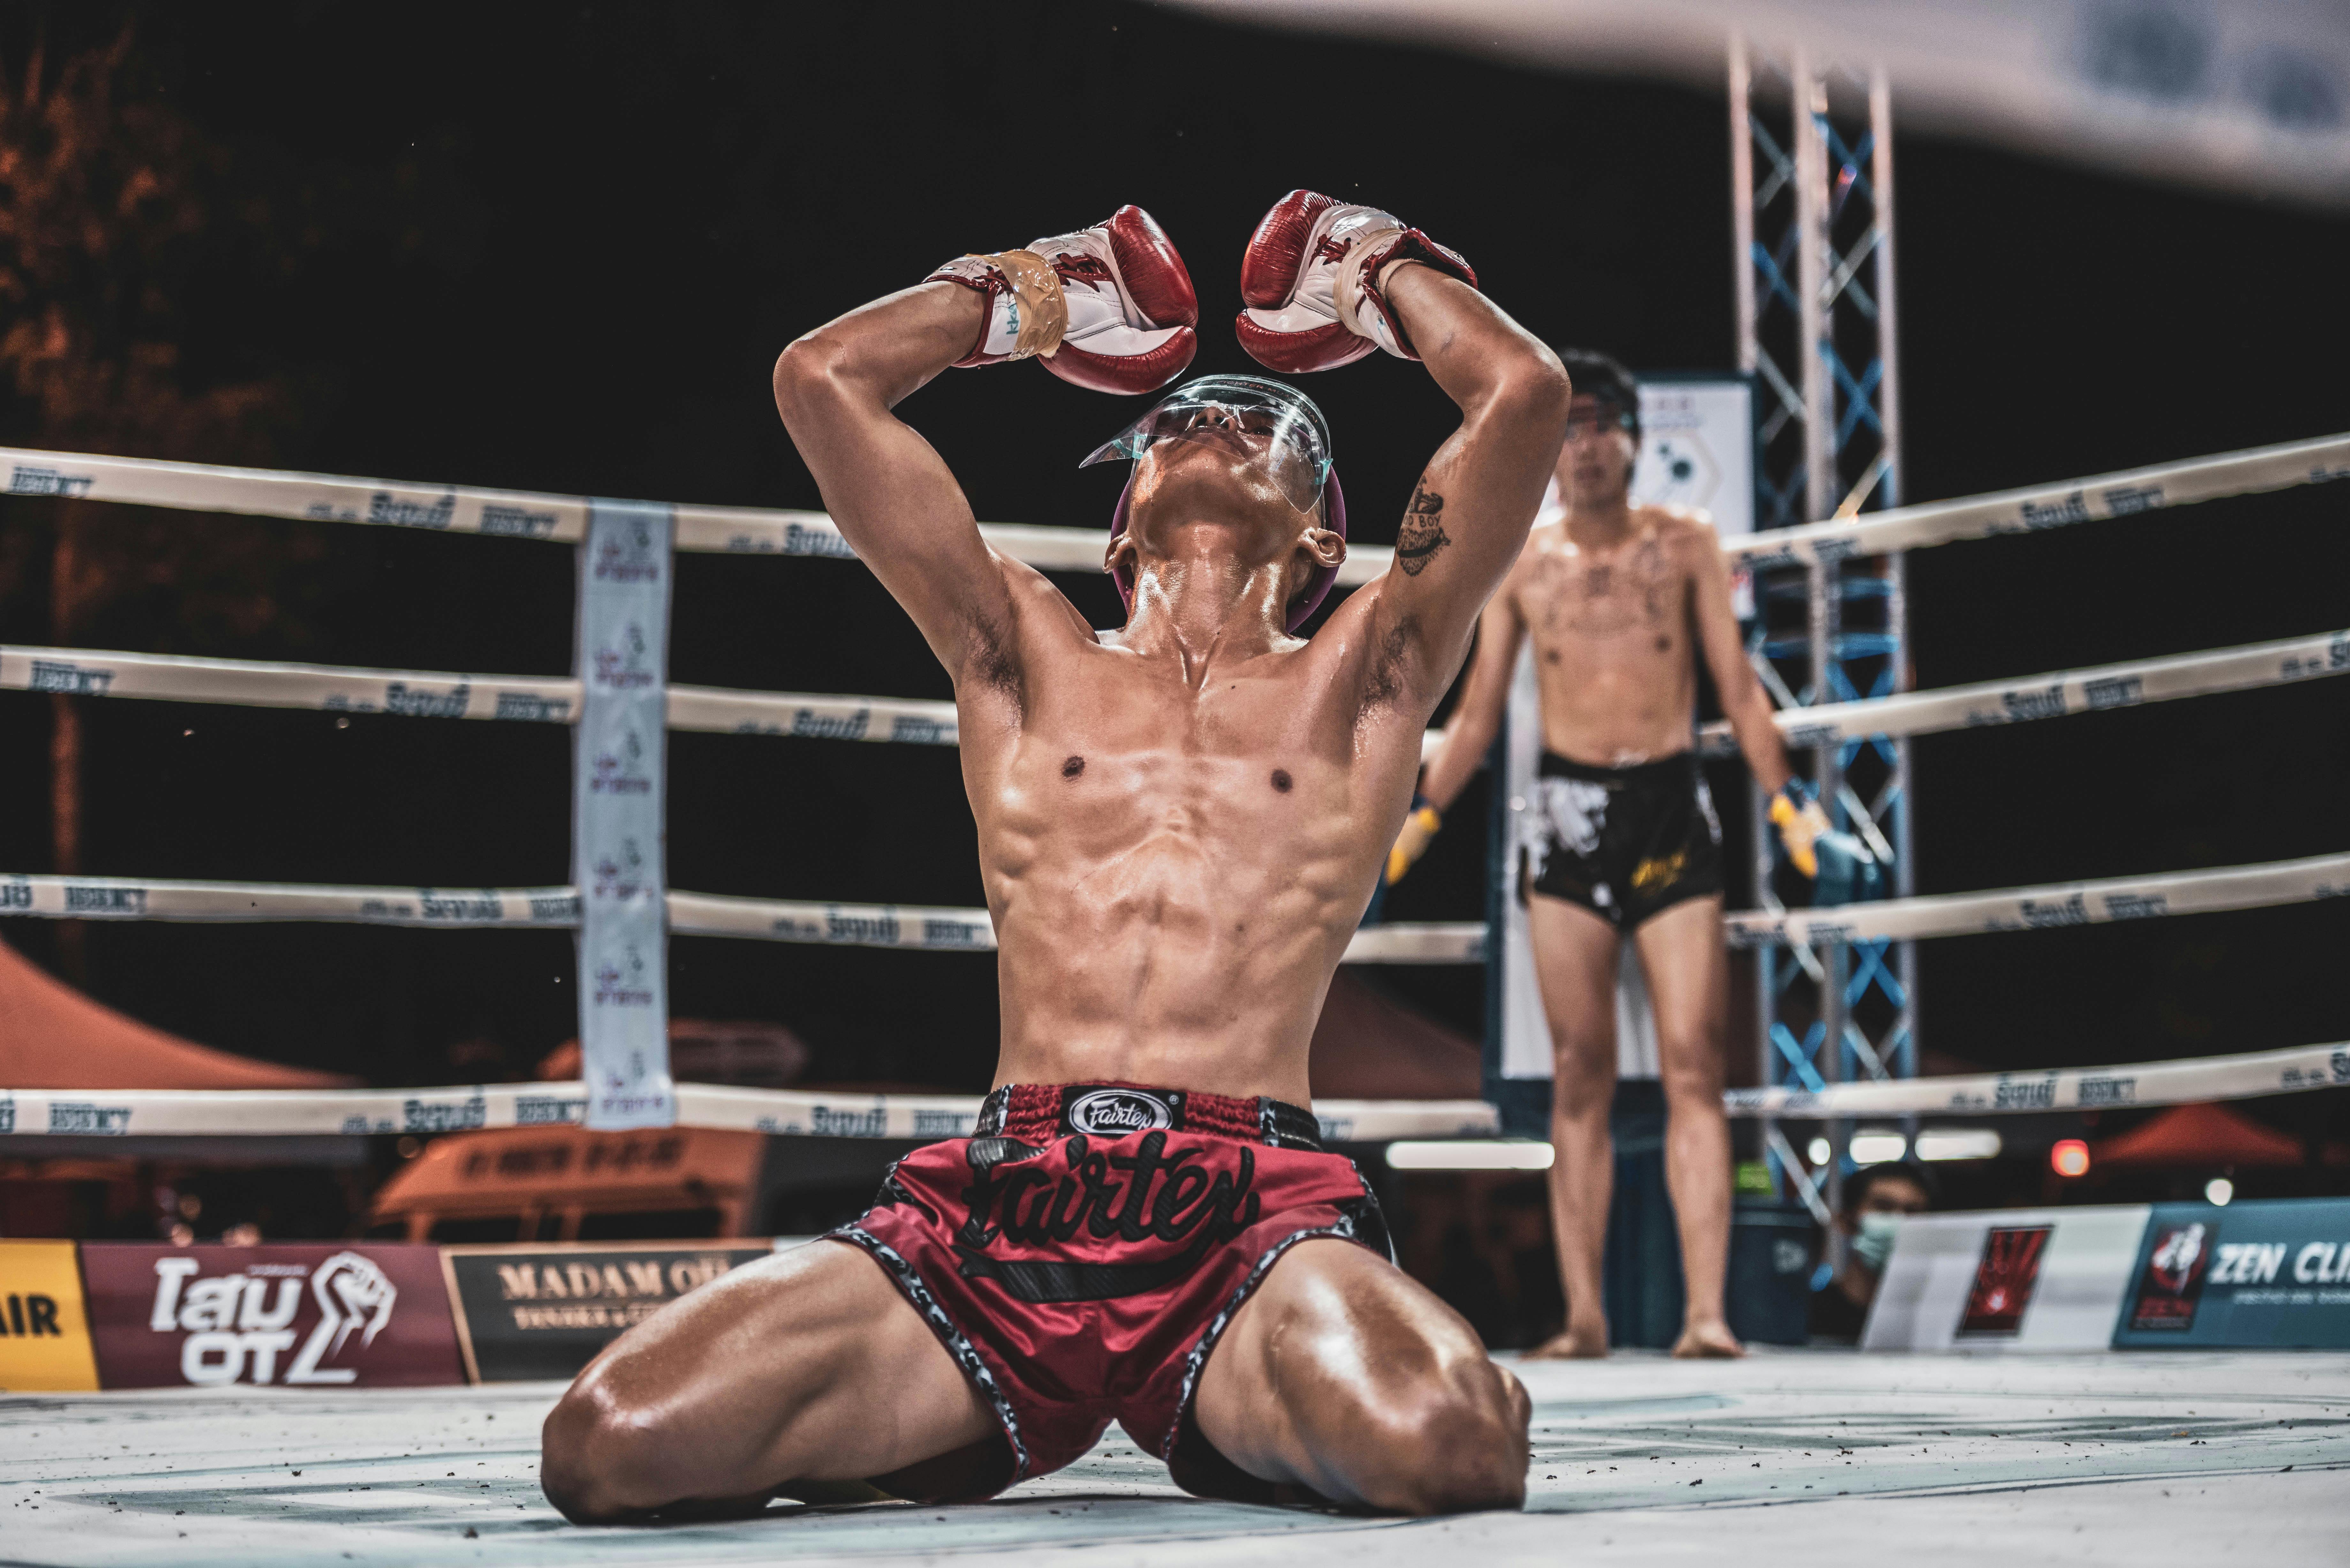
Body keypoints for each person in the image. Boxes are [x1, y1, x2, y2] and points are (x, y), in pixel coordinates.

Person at [540, 192, 1572, 1521]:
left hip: (1246, 1213)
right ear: (1120, 518)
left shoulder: (1367, 672)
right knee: (606, 1447)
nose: (1216, 421)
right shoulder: (1018, 652)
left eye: (1263, 423)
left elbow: (1523, 393)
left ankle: (1371, 1361)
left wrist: (1373, 269)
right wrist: (1032, 293)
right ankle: (959, 1414)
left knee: (1446, 1449)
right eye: (1181, 420)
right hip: (994, 1213)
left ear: (1322, 537)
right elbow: (824, 381)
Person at [1390, 349, 1833, 1361]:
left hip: (1669, 805)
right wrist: (1418, 819)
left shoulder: (1686, 545)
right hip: (1562, 810)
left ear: (1634, 438)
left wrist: (1787, 808)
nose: (1585, 445)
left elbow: (1738, 687)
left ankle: (1705, 1312)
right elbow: (1476, 714)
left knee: (1692, 1064)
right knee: (1577, 1071)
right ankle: (1583, 1314)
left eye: (1601, 424)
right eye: (1571, 427)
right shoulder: (1522, 564)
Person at [1808, 1160, 1937, 1343]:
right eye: (1883, 1208)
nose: (1898, 1222)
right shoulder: (1806, 1318)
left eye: (1912, 1212)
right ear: (1846, 1222)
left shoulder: (1935, 1319)